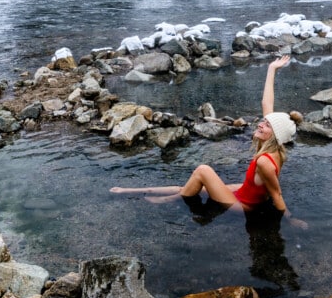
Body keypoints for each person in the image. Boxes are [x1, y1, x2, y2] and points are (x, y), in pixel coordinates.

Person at [111, 54, 308, 229]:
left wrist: (291, 220)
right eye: (264, 121)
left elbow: (277, 195)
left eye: (266, 125)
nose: (260, 124)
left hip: (243, 206)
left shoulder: (265, 161)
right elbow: (267, 103)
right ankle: (130, 190)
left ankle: (170, 199)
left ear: (274, 135)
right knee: (195, 185)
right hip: (245, 191)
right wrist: (271, 69)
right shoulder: (276, 144)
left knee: (203, 170)